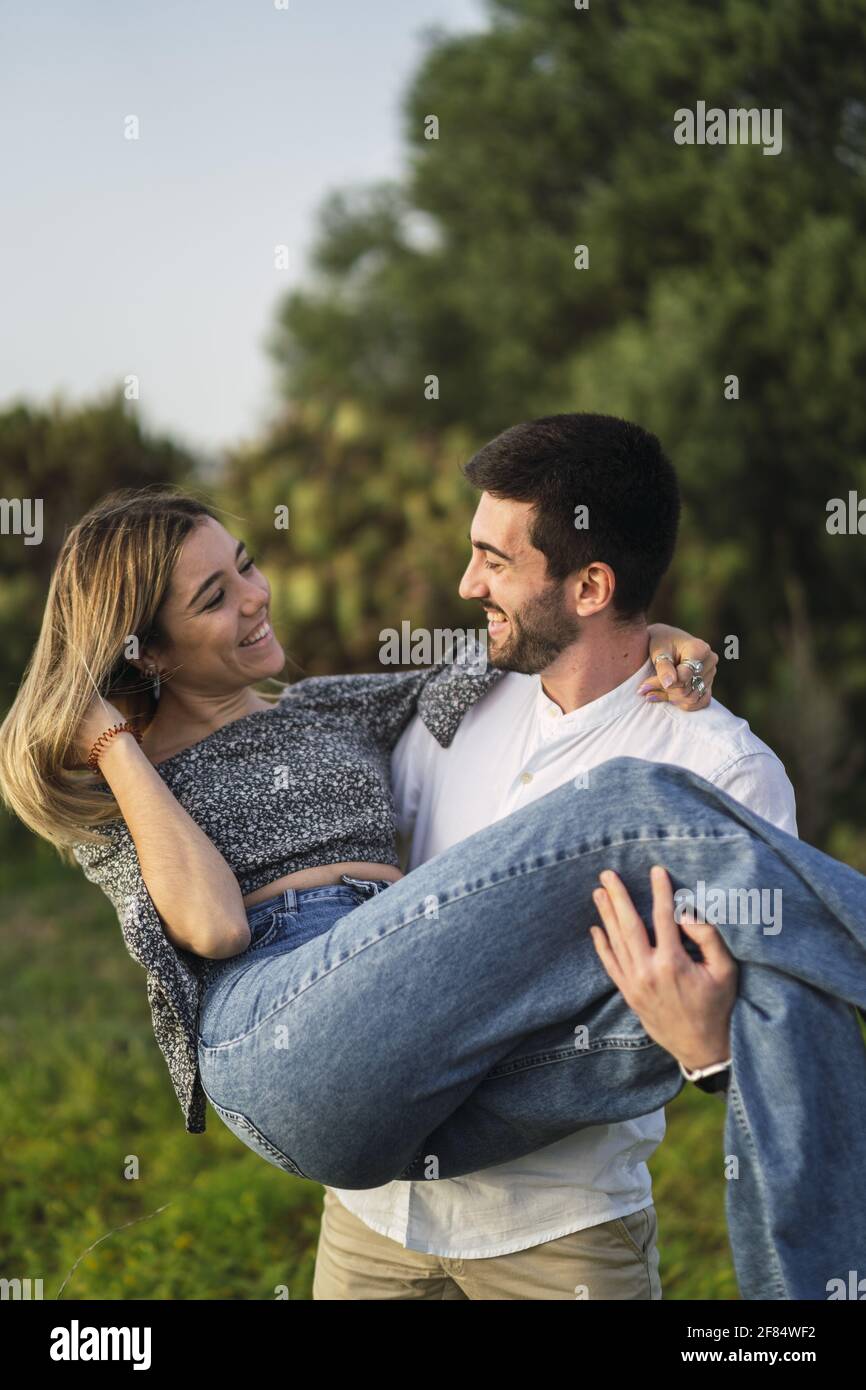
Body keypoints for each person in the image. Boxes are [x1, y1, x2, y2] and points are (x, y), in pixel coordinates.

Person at [1, 460, 864, 1300]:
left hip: (479, 1168)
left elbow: (514, 650)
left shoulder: (333, 709)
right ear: (146, 650)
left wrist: (658, 640)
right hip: (281, 1042)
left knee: (745, 998)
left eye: (247, 566)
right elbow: (216, 929)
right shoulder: (120, 794)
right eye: (213, 597)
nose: (256, 596)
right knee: (629, 803)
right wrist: (113, 745)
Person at [316, 412, 797, 1301]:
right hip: (368, 1219)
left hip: (561, 1239)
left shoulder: (720, 773)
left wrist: (710, 1051)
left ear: (589, 587)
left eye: (496, 561)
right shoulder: (450, 707)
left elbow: (781, 1029)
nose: (467, 585)